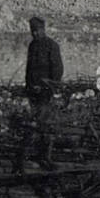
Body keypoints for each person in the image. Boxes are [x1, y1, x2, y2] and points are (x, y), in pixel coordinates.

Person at [17, 15, 63, 170]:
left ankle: (45, 157)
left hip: (45, 92)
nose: (35, 34)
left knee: (44, 124)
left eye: (37, 31)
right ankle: (36, 155)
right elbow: (29, 69)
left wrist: (47, 86)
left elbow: (57, 70)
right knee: (35, 123)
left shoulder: (52, 46)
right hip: (33, 91)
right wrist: (29, 86)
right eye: (32, 31)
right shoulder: (32, 46)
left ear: (43, 30)